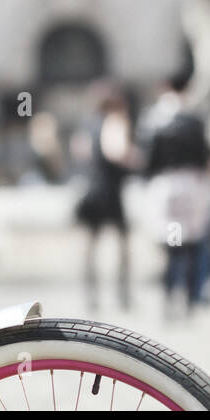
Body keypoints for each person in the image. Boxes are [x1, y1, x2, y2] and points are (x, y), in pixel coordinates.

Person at [140, 75, 210, 318]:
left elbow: (148, 159)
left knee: (172, 244)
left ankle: (169, 295)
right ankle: (189, 298)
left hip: (166, 186)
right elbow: (207, 155)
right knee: (193, 244)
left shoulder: (153, 119)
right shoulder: (195, 118)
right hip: (192, 185)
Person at [75, 83, 137, 311]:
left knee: (90, 247)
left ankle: (91, 297)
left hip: (92, 189)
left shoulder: (88, 124)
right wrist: (136, 160)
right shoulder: (115, 121)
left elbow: (79, 151)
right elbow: (116, 151)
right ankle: (124, 296)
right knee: (122, 246)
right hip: (111, 191)